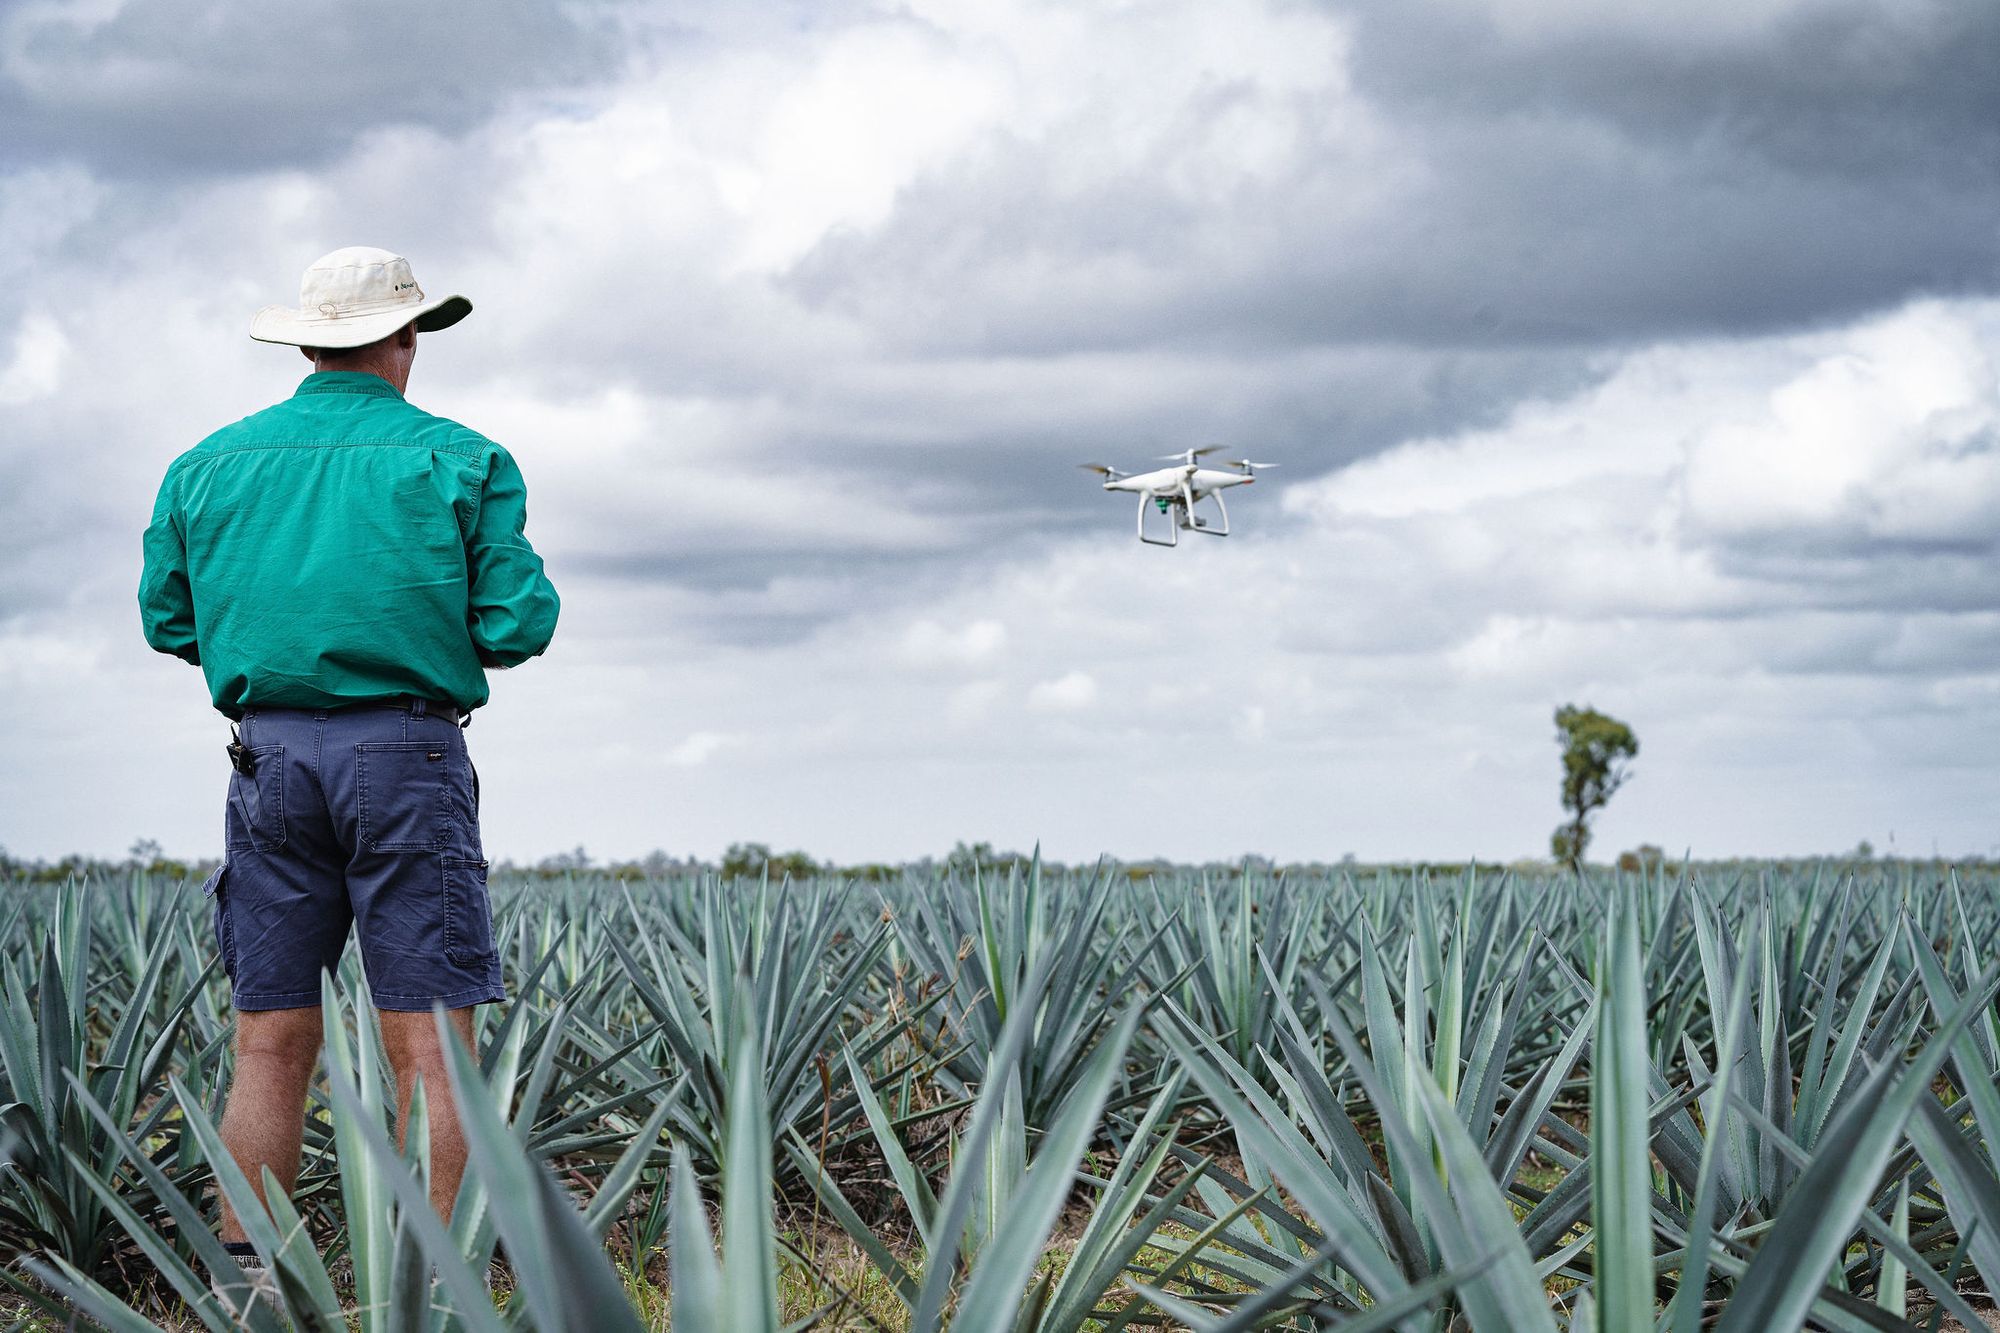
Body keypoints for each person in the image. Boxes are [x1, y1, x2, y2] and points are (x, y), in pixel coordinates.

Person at [138, 246, 560, 1308]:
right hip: (406, 754)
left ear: (307, 340)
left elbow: (169, 620)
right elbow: (516, 624)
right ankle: (438, 1290)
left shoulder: (207, 465)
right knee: (432, 1046)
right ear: (407, 336)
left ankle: (245, 1293)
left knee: (269, 1039)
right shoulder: (463, 459)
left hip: (266, 756)